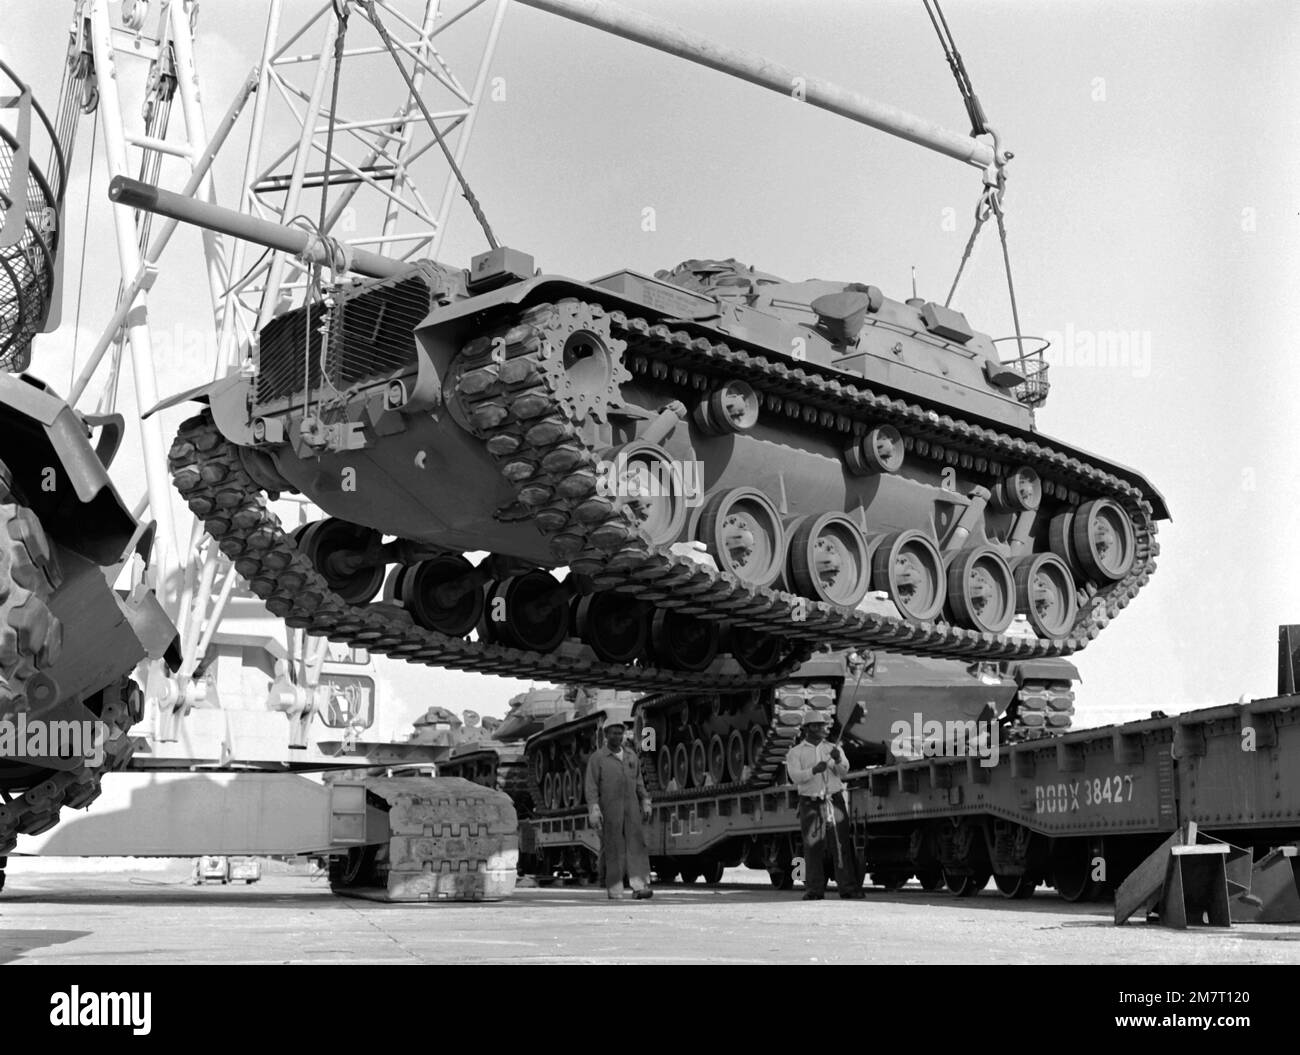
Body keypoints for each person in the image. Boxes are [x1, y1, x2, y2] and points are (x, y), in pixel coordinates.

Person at [785, 711, 863, 900]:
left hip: (833, 801)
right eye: (818, 725)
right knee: (813, 847)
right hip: (810, 803)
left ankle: (848, 888)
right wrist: (814, 770)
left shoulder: (833, 748)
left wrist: (837, 760)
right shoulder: (795, 753)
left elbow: (843, 772)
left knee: (840, 845)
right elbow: (795, 777)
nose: (823, 728)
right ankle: (814, 890)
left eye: (824, 725)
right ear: (807, 728)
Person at [585, 717, 654, 900]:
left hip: (631, 807)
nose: (618, 736)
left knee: (637, 845)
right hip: (610, 808)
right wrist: (594, 809)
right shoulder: (598, 758)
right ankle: (615, 889)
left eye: (620, 733)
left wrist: (645, 801)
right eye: (613, 733)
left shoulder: (632, 756)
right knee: (614, 847)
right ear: (606, 735)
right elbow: (591, 786)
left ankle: (640, 887)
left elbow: (639, 782)